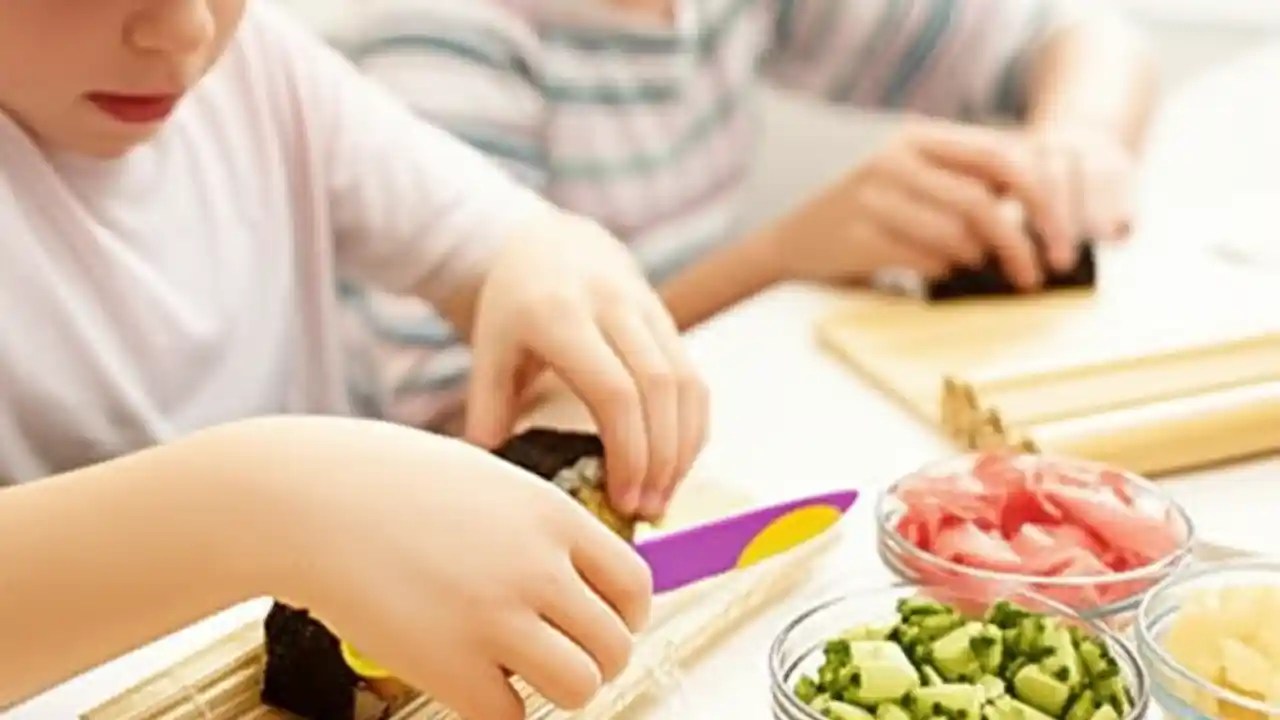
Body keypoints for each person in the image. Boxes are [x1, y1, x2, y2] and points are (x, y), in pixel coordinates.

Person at [0, 1, 710, 718]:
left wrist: (549, 254)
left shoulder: (261, 73)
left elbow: (497, 245)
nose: (187, 30)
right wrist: (261, 504)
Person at [336, 0, 1156, 444]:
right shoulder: (442, 40)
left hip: (701, 431)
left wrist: (1073, 145)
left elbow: (1081, 33)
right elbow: (464, 423)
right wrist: (781, 257)